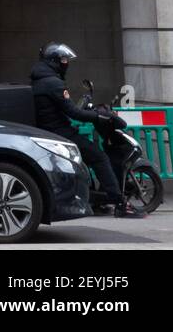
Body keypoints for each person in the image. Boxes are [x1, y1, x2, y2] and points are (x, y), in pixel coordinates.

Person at [30, 43, 143, 218]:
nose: (66, 63)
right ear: (54, 62)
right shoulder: (53, 83)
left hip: (51, 130)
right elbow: (73, 112)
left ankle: (97, 201)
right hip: (60, 133)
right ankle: (120, 204)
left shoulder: (39, 79)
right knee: (99, 157)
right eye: (64, 60)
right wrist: (98, 117)